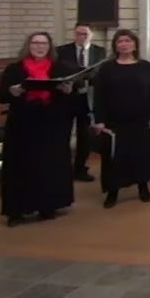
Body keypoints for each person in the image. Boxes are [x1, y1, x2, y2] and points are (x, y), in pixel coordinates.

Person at [0, 32, 78, 226]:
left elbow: (71, 98)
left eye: (44, 43)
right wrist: (12, 91)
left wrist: (68, 91)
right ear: (28, 45)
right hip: (22, 124)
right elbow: (1, 96)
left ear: (50, 47)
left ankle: (47, 206)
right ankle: (17, 211)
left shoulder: (60, 68)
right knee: (21, 166)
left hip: (51, 123)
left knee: (49, 165)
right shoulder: (14, 69)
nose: (39, 47)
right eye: (35, 43)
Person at [91, 29, 150, 208]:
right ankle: (112, 191)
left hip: (140, 119)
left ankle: (143, 187)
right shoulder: (106, 68)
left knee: (141, 155)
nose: (124, 44)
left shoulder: (145, 66)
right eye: (120, 41)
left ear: (135, 45)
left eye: (128, 41)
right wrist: (99, 119)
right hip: (115, 121)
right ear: (115, 46)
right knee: (114, 158)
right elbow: (99, 96)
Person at [56, 24, 106, 182]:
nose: (82, 37)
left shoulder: (100, 51)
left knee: (84, 135)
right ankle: (62, 169)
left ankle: (80, 169)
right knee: (63, 133)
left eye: (85, 34)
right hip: (67, 97)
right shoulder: (62, 51)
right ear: (74, 34)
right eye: (78, 34)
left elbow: (101, 73)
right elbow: (58, 71)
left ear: (91, 35)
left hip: (87, 97)